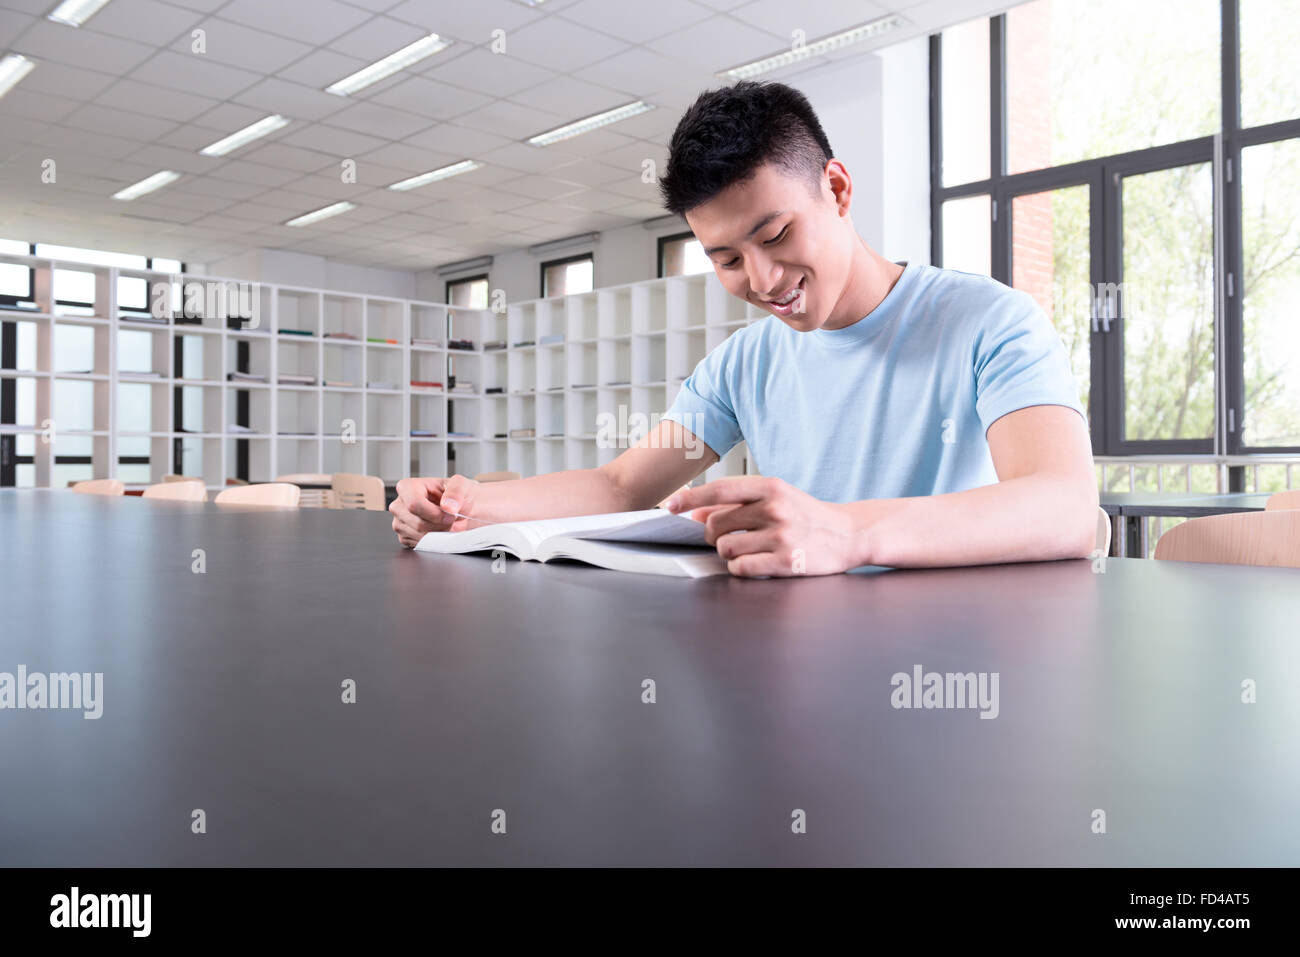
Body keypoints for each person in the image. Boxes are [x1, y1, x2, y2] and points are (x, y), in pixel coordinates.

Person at [390, 80, 1098, 576]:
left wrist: (845, 532)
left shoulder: (990, 322)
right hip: (799, 659)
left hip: (957, 662)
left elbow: (1064, 508)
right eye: (726, 258)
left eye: (776, 233)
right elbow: (618, 485)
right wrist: (464, 503)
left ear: (839, 189)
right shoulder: (744, 362)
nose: (761, 281)